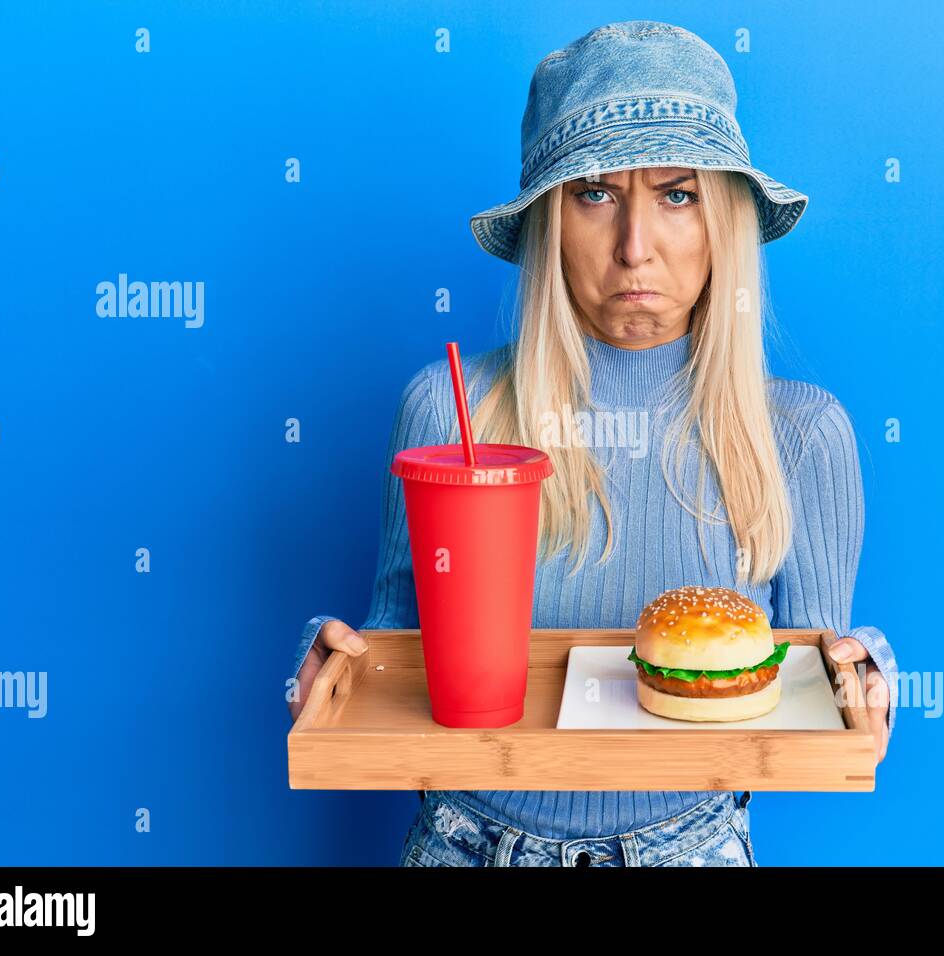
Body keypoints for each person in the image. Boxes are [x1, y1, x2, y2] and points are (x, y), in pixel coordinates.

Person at [286, 19, 897, 867]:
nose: (634, 247)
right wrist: (327, 664)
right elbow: (392, 648)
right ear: (548, 222)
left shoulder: (802, 436)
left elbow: (812, 679)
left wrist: (868, 674)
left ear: (722, 221)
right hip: (466, 842)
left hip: (693, 846)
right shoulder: (448, 412)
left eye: (677, 194)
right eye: (595, 194)